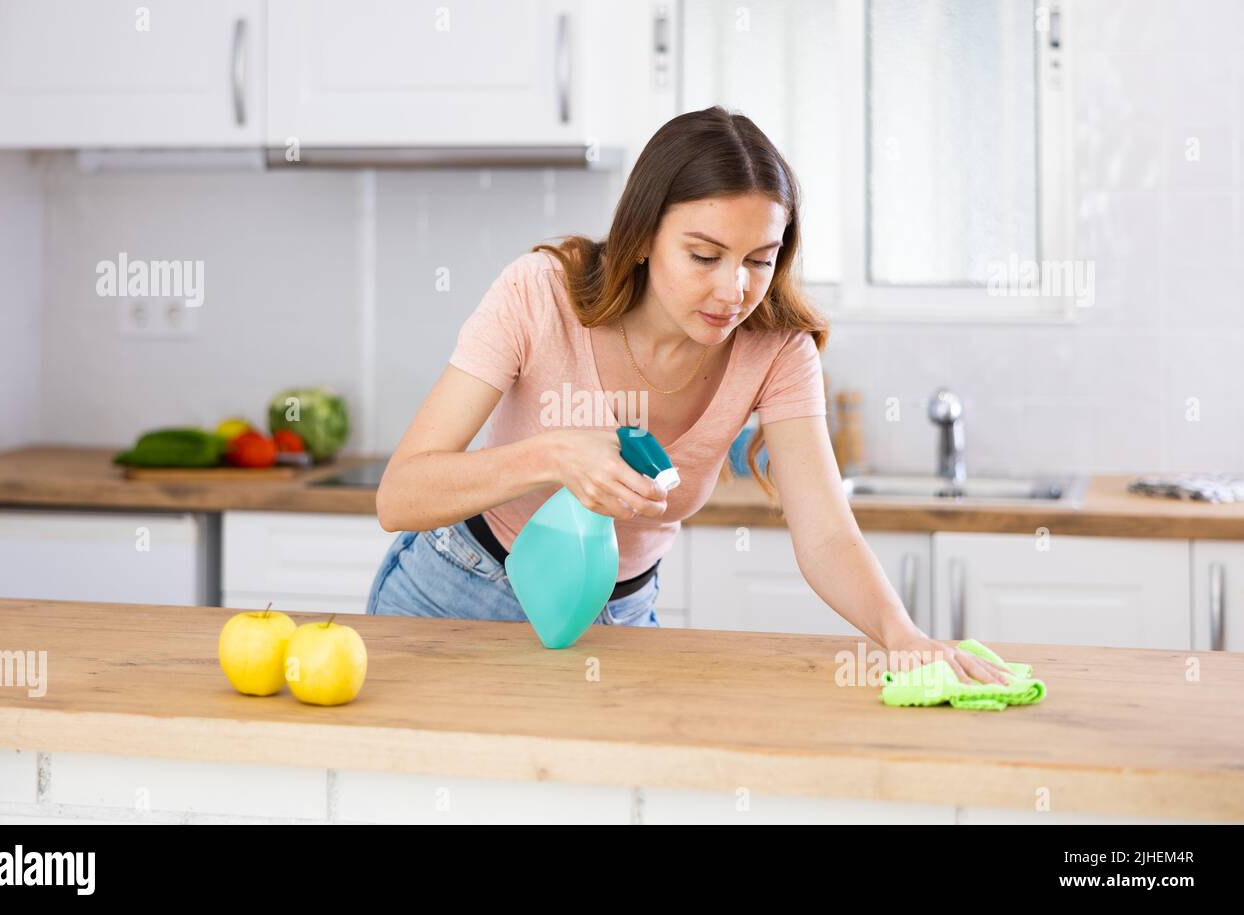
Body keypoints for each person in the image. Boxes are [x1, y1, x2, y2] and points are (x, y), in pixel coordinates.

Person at [367, 105, 1011, 686]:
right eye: (705, 256)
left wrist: (903, 636)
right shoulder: (540, 295)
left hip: (618, 621)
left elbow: (825, 535)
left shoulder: (777, 351)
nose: (734, 291)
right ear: (644, 237)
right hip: (457, 599)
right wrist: (553, 455)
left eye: (760, 259)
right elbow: (400, 495)